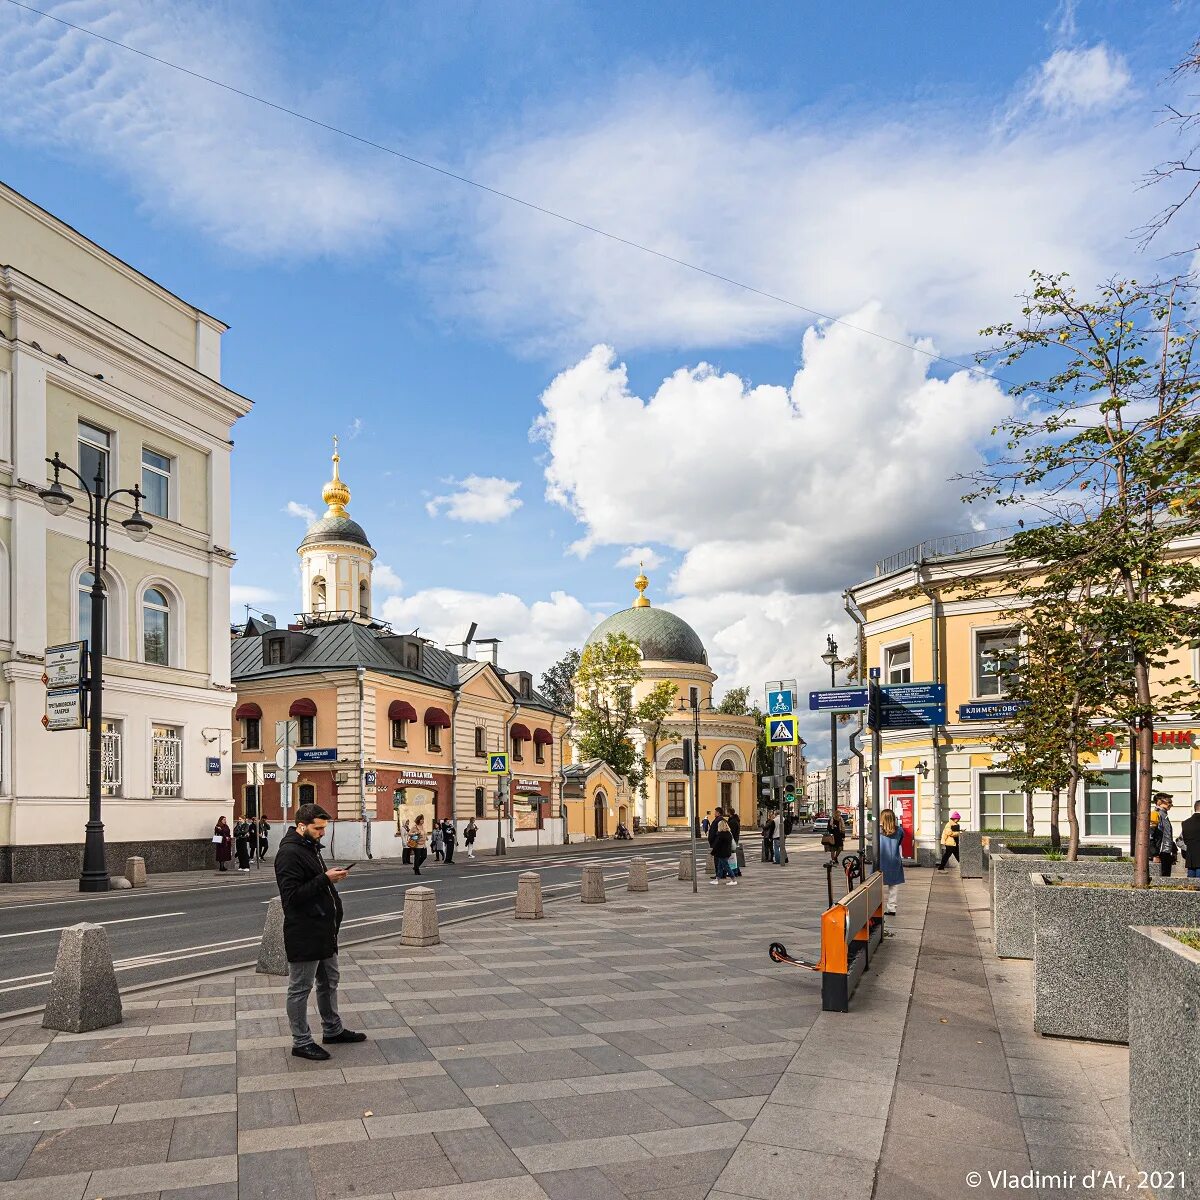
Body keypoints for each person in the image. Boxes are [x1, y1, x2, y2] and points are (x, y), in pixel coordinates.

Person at [274, 802, 366, 1061]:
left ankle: (332, 1029)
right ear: (301, 826)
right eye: (318, 828)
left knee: (329, 981)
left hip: (324, 929)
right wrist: (326, 879)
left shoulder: (310, 847)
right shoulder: (290, 853)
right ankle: (301, 1041)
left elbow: (316, 883)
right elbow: (291, 897)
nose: (322, 832)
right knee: (300, 988)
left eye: (324, 827)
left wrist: (328, 879)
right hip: (305, 931)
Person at [879, 809, 906, 915]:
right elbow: (899, 843)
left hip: (881, 860)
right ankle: (892, 908)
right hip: (894, 859)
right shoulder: (899, 830)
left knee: (877, 885)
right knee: (893, 886)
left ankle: (877, 908)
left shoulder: (879, 831)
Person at [1150, 793, 1178, 877]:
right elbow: (1150, 836)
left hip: (1166, 852)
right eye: (1169, 802)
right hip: (1159, 853)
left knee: (1166, 877)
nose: (1171, 804)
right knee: (1161, 879)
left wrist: (1174, 850)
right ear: (1159, 802)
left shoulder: (1164, 815)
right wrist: (1155, 854)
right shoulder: (1155, 814)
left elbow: (1167, 835)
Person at [708, 812, 737, 886]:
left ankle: (733, 879)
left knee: (726, 866)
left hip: (722, 853)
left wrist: (712, 853)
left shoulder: (720, 835)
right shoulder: (728, 834)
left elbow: (717, 845)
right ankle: (717, 879)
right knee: (720, 866)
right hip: (727, 852)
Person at [1179, 799, 1200, 880]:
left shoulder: (1185, 823)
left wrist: (1188, 848)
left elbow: (1180, 840)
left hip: (1190, 858)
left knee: (1190, 883)